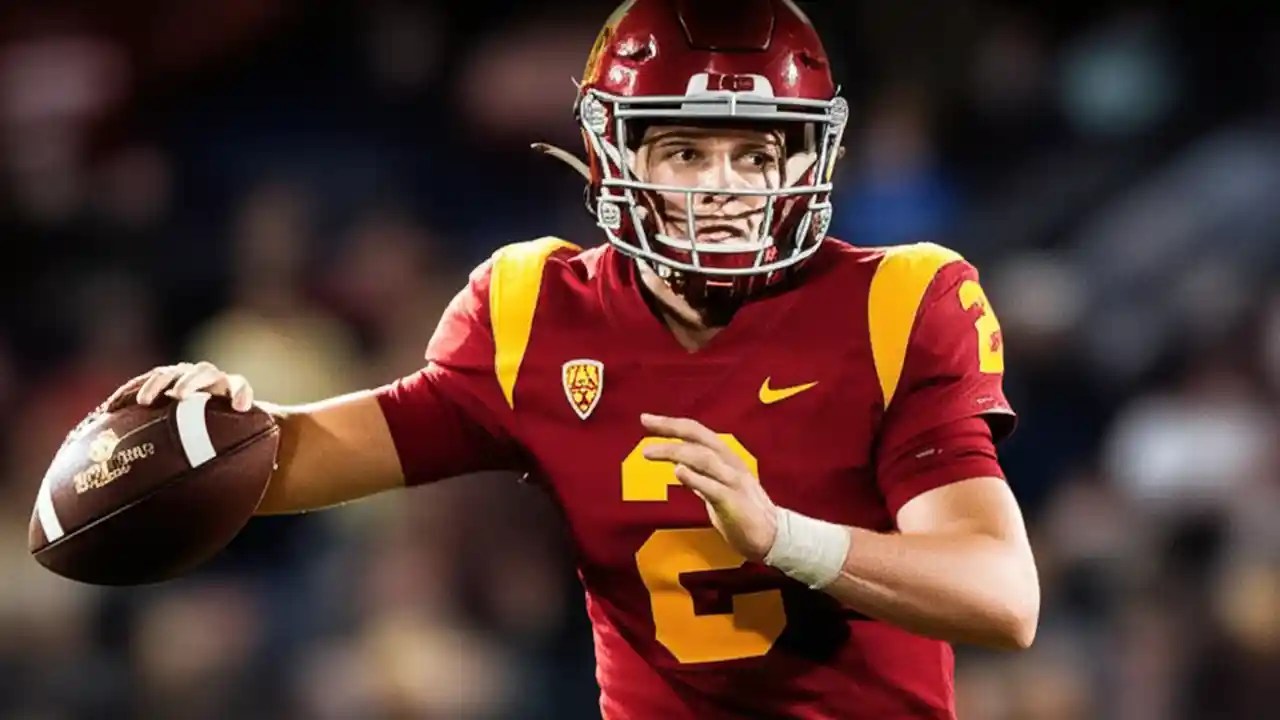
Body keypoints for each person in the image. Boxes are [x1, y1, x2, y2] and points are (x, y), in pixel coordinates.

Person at [122, 1, 1039, 717]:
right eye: (685, 150)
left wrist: (785, 539)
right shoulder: (534, 311)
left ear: (804, 163)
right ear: (614, 153)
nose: (723, 187)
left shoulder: (898, 303)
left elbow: (1001, 597)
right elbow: (313, 457)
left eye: (755, 153)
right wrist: (213, 425)